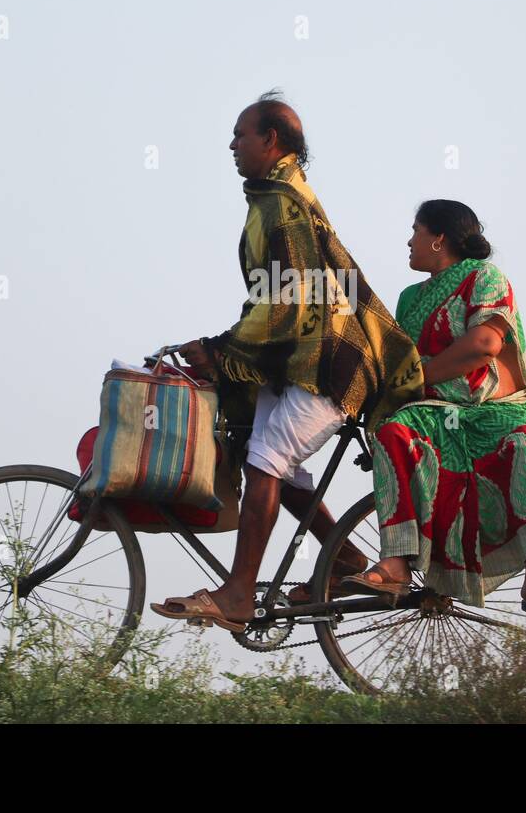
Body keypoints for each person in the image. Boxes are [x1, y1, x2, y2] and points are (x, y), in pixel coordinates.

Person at [150, 90, 424, 632]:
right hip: (298, 358)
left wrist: (223, 348)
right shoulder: (274, 197)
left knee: (265, 464)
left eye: (240, 134)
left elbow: (289, 300)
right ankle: (344, 558)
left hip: (328, 364)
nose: (232, 144)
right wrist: (224, 348)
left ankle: (238, 594)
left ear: (269, 140)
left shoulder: (282, 203)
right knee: (272, 459)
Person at [338, 200, 526, 619]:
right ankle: (398, 562)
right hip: (441, 414)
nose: (410, 241)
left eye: (416, 231)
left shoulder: (486, 278)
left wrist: (419, 378)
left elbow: (485, 344)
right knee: (394, 431)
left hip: (498, 413)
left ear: (438, 238)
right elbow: (395, 360)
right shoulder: (410, 298)